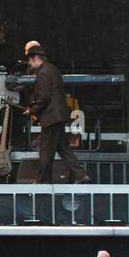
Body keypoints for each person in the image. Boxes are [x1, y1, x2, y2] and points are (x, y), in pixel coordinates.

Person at [23, 46, 89, 184]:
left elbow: (44, 97)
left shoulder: (42, 73)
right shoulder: (53, 69)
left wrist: (32, 110)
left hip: (51, 116)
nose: (29, 63)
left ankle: (41, 180)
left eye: (30, 59)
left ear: (35, 58)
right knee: (63, 148)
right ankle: (81, 175)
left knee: (45, 150)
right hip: (59, 115)